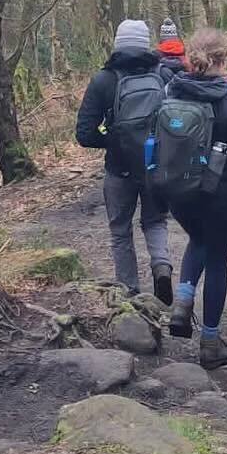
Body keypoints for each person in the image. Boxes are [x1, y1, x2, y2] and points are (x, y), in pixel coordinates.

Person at [163, 28, 227, 368]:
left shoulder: (171, 92)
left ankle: (183, 300)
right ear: (224, 60)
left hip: (179, 190)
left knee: (197, 240)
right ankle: (210, 342)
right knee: (218, 258)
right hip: (220, 193)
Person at [74, 18, 174, 304]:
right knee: (155, 221)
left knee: (120, 231)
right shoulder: (163, 75)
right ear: (146, 43)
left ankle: (130, 295)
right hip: (157, 165)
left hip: (119, 168)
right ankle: (162, 267)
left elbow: (84, 134)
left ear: (117, 43)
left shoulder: (103, 79)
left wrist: (113, 139)